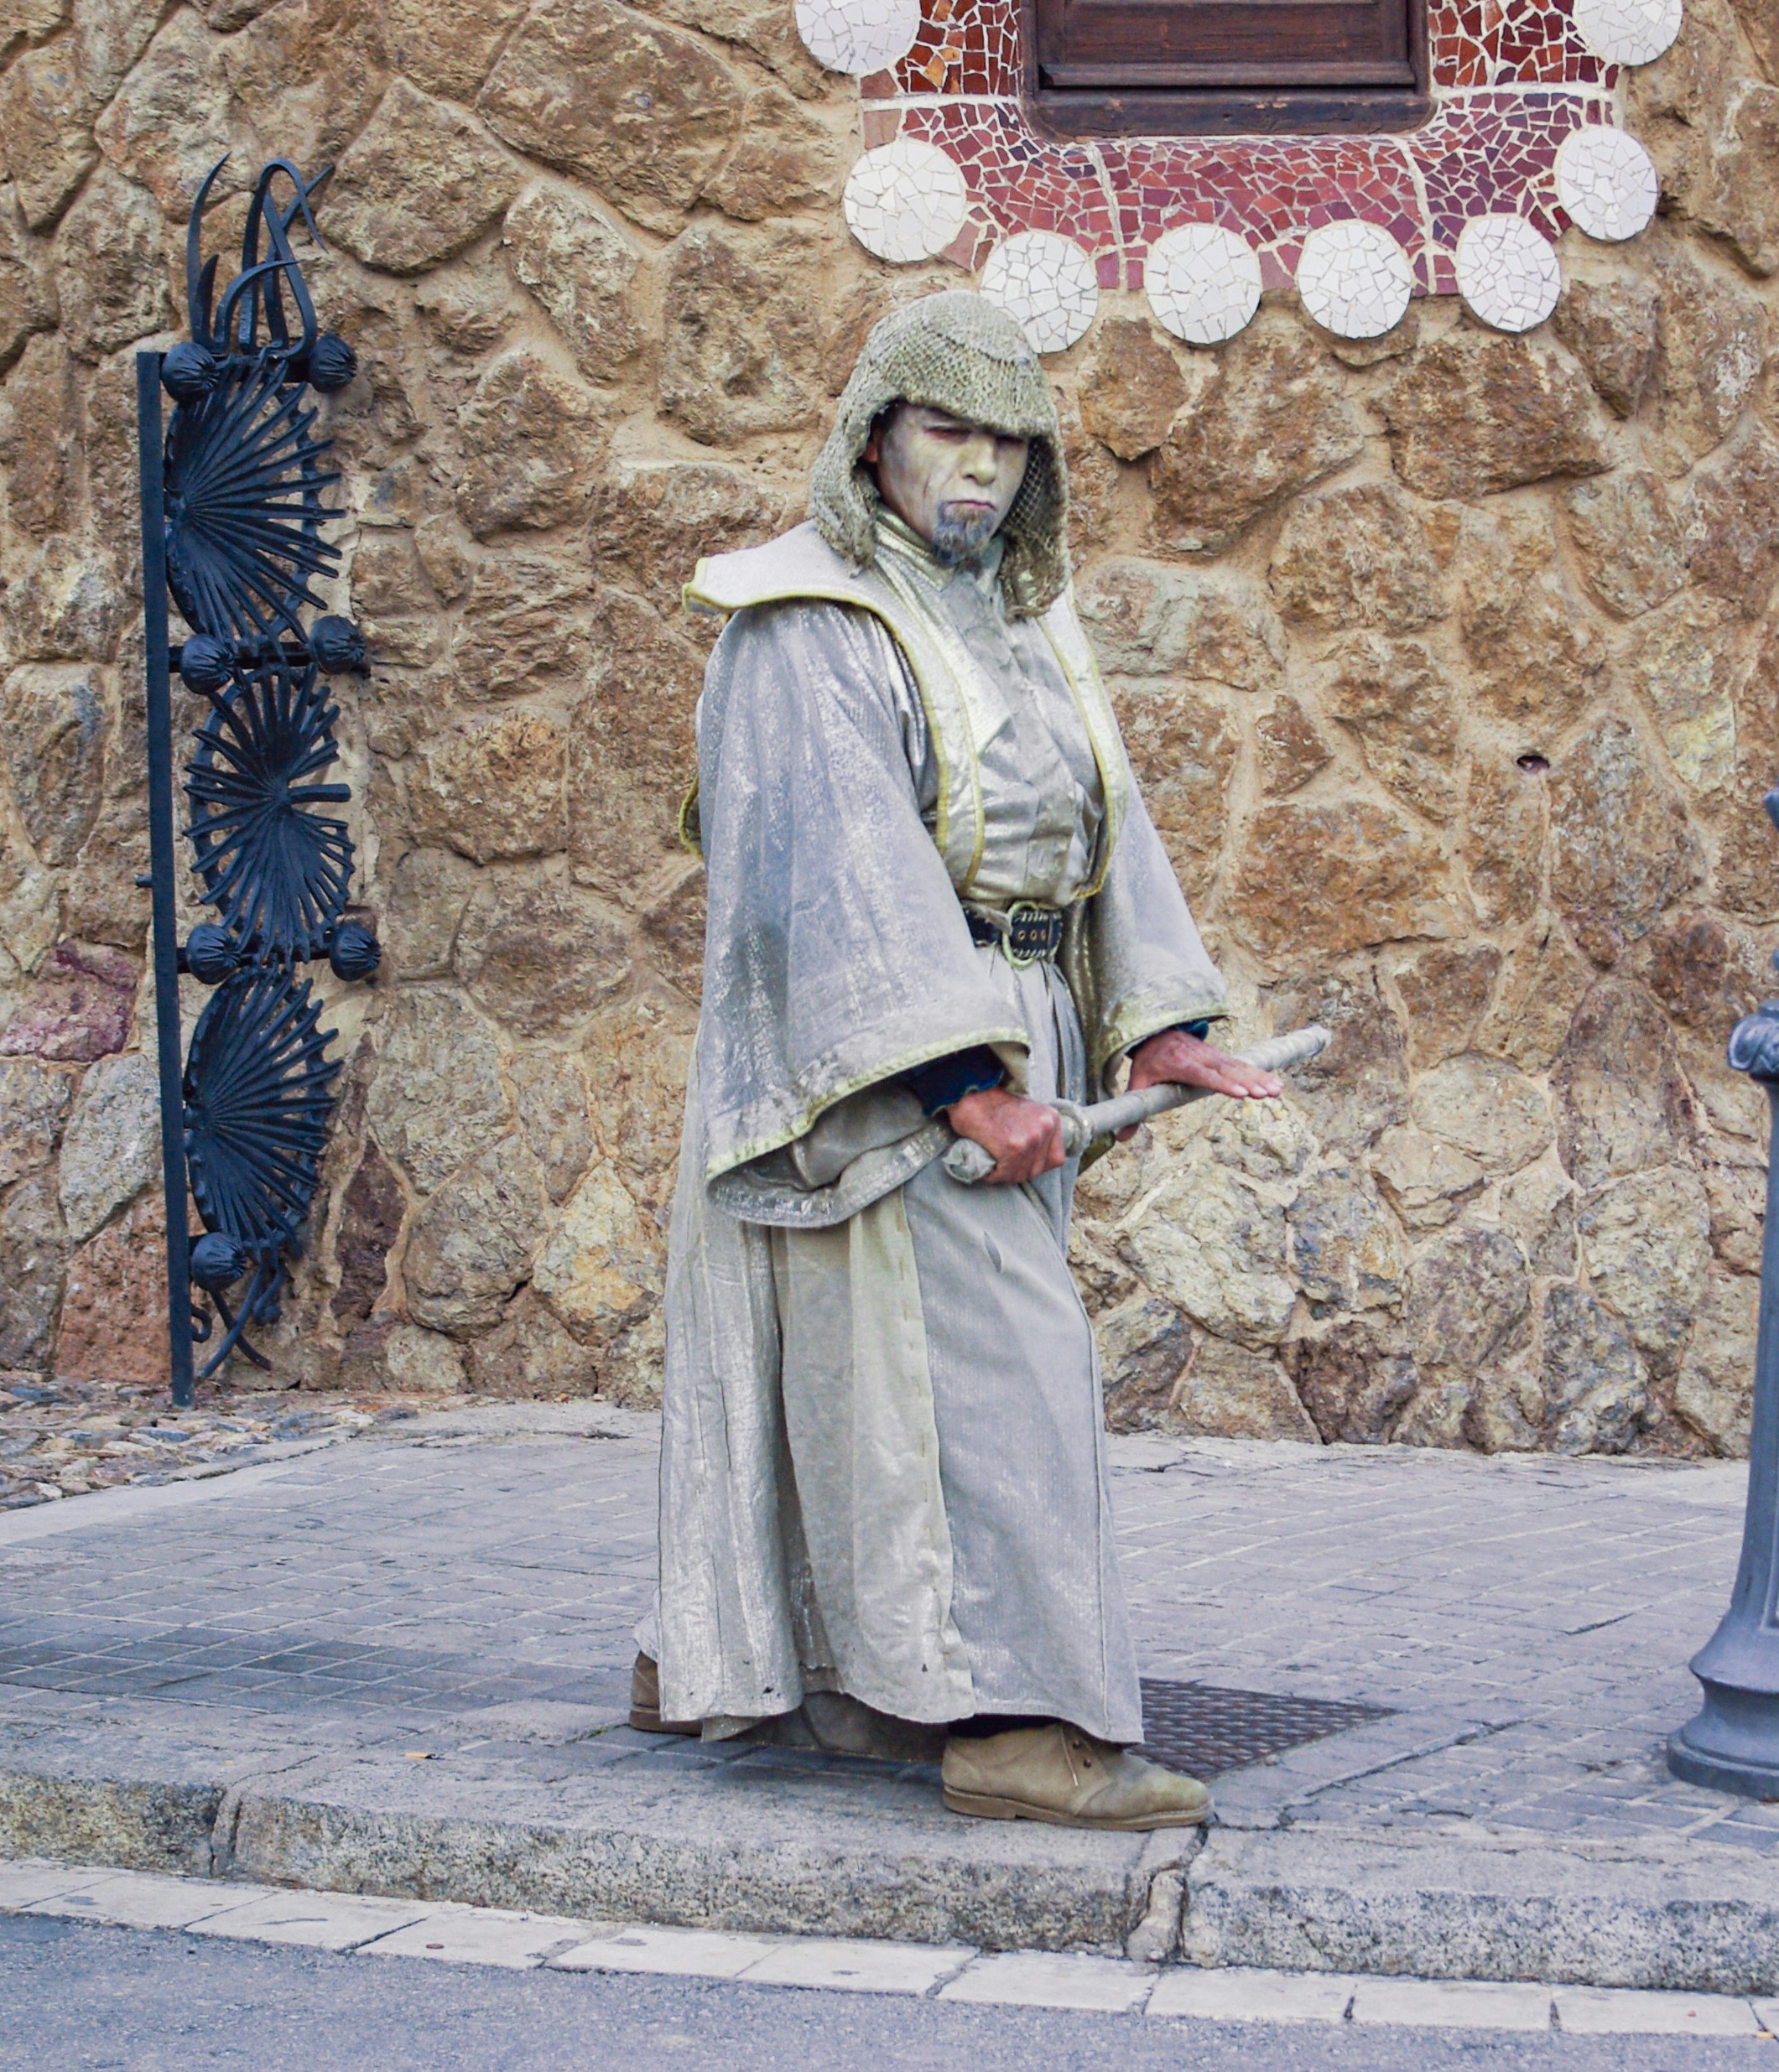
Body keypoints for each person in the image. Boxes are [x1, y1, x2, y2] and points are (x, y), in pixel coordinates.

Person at [631, 291, 1280, 1831]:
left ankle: (872, 1687)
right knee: (1008, 1384)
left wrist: (1156, 1023)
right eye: (945, 431)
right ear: (872, 444)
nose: (975, 468)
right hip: (886, 1068)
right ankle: (1021, 1727)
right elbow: (831, 875)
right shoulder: (805, 626)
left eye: (1004, 438)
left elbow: (1098, 823)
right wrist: (962, 1085)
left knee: (886, 1388)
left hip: (1007, 1035)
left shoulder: (1014, 610)